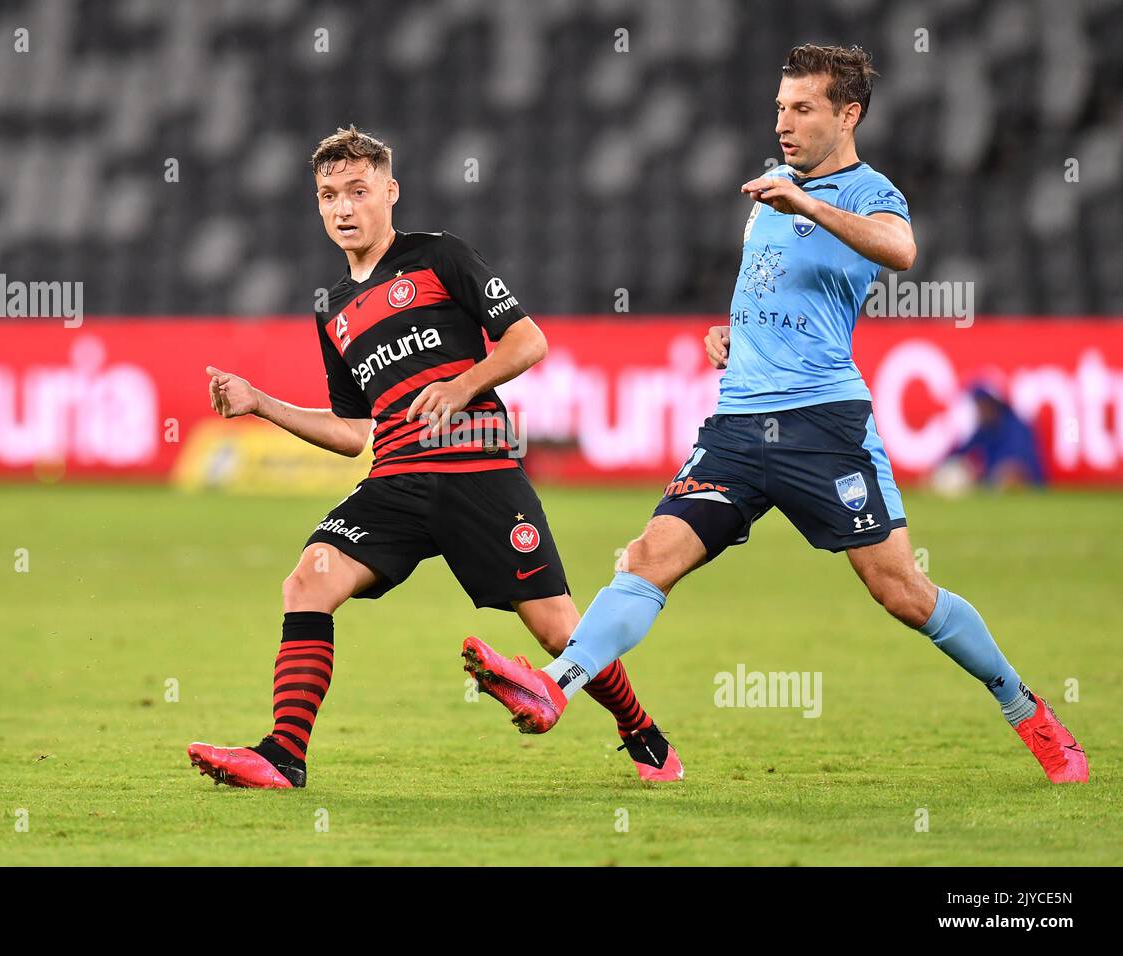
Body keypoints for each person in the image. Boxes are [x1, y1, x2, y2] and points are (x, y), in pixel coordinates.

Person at [462, 46, 1087, 785]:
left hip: (823, 424)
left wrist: (812, 206)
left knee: (901, 591)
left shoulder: (866, 192)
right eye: (780, 107)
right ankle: (555, 686)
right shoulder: (774, 187)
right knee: (646, 559)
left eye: (803, 109)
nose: (784, 123)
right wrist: (735, 337)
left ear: (848, 115)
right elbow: (779, 292)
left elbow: (904, 252)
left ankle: (1027, 710)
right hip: (736, 425)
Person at [188, 126, 681, 789]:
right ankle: (284, 755)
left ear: (390, 193)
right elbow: (350, 431)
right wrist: (261, 403)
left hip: (476, 468)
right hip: (394, 478)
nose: (342, 208)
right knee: (308, 580)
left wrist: (463, 383)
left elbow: (528, 341)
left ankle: (643, 735)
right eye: (328, 194)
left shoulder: (439, 256)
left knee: (559, 630)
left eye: (358, 191)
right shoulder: (330, 309)